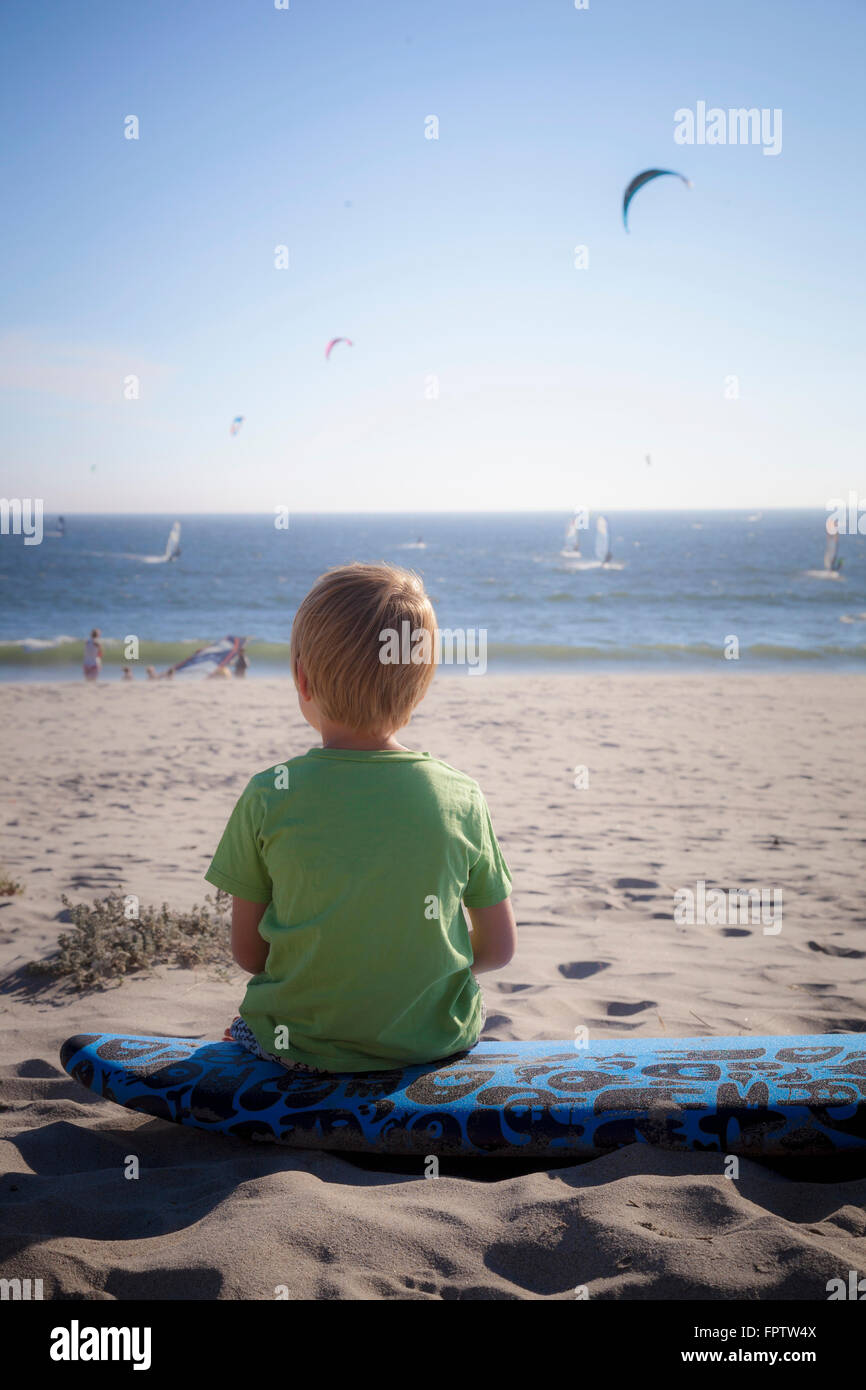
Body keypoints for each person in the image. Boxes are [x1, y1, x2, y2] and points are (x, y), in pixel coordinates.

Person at [206, 562, 516, 1074]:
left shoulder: (268, 795)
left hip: (298, 1047)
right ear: (421, 684)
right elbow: (499, 947)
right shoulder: (460, 795)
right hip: (434, 1044)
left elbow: (250, 954)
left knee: (242, 1032)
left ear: (302, 678)